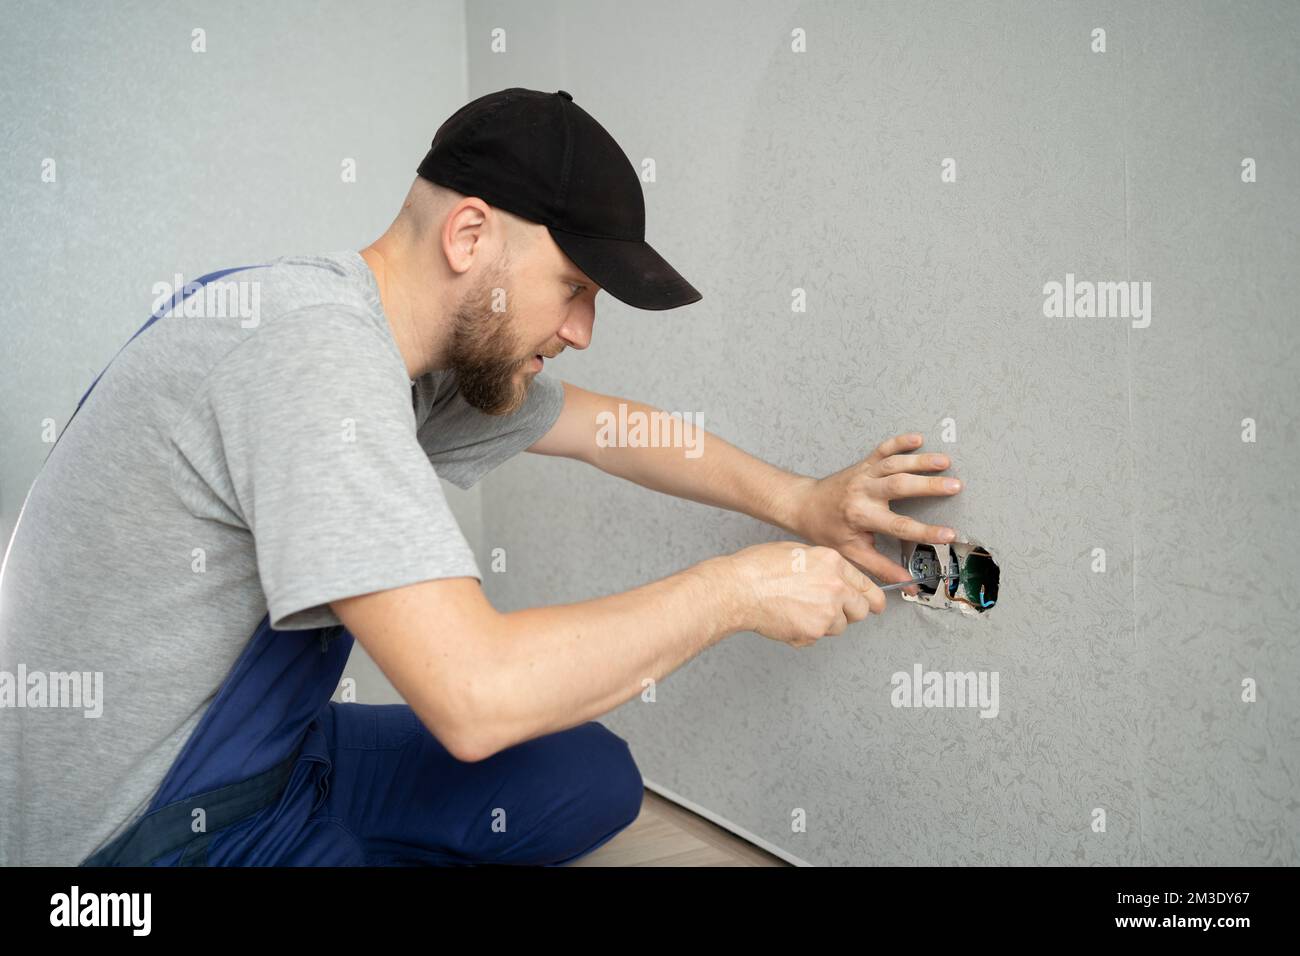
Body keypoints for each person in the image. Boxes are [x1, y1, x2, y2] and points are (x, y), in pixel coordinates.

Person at [0, 88, 963, 867]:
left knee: (588, 779)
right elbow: (472, 699)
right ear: (469, 238)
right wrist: (736, 589)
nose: (582, 328)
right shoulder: (309, 357)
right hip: (138, 838)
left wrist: (802, 501)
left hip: (276, 755)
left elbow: (607, 430)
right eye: (576, 287)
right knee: (501, 722)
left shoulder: (403, 366)